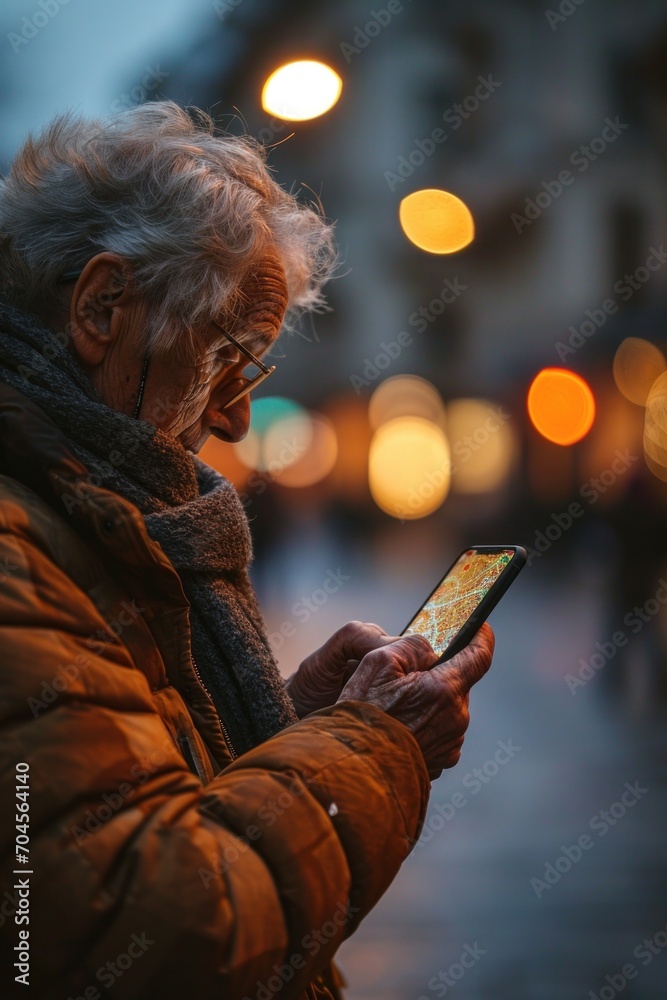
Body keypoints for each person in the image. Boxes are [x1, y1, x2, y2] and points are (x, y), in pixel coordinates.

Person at [0, 101, 494, 1000]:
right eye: (227, 358)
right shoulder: (21, 545)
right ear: (102, 306)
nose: (233, 416)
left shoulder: (85, 509)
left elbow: (135, 788)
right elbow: (157, 939)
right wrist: (371, 744)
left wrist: (296, 721)